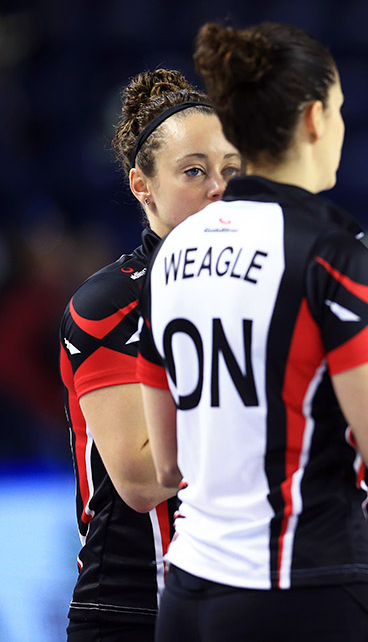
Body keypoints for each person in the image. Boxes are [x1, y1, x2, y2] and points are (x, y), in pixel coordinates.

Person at [135, 22, 368, 642]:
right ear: (315, 118)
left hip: (187, 594)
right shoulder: (329, 252)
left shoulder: (172, 254)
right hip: (299, 591)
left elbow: (168, 464)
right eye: (338, 110)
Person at [59, 69, 241, 642]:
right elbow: (141, 477)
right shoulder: (111, 303)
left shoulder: (266, 291)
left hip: (246, 603)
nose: (218, 188)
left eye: (230, 170)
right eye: (194, 172)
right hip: (134, 611)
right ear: (143, 187)